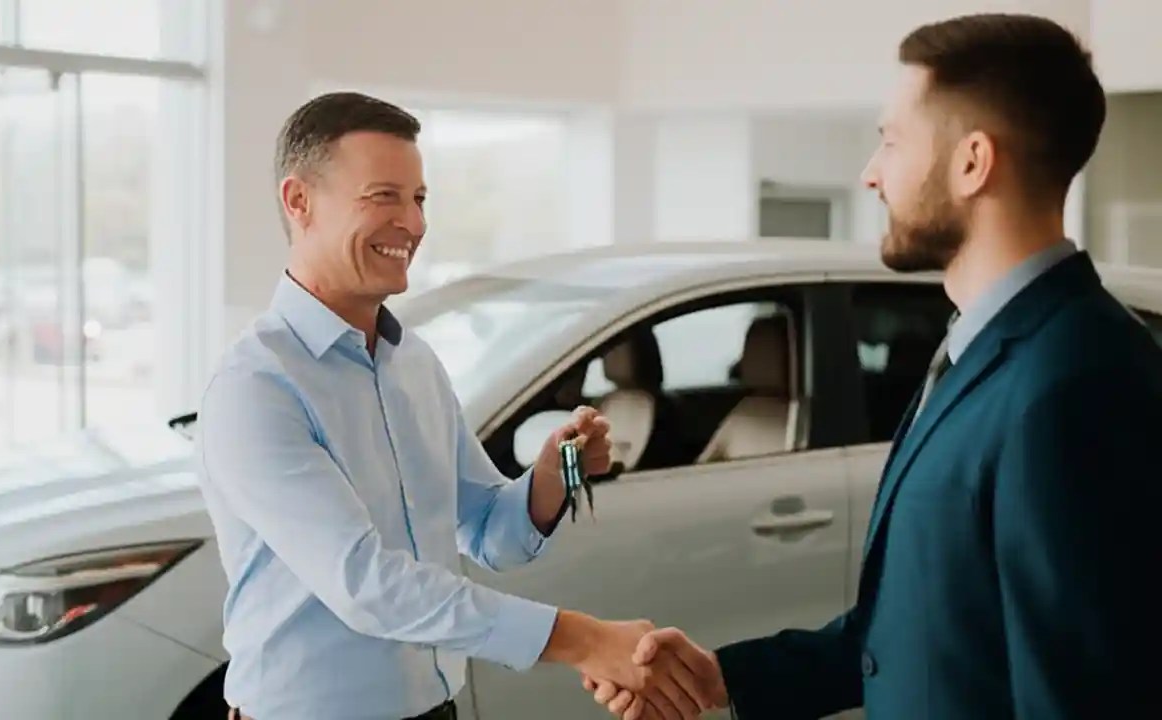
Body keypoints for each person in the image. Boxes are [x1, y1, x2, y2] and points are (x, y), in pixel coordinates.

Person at [584, 12, 1162, 720]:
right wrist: (720, 679)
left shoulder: (1078, 381)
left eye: (890, 140)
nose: (870, 174)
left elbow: (1087, 698)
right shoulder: (976, 352)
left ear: (973, 162)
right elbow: (913, 633)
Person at [195, 92, 717, 719]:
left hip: (436, 707)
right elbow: (366, 584)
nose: (412, 224)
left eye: (418, 200)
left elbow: (490, 533)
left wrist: (551, 477)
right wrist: (585, 640)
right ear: (299, 201)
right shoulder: (256, 386)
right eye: (383, 196)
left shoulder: (411, 361)